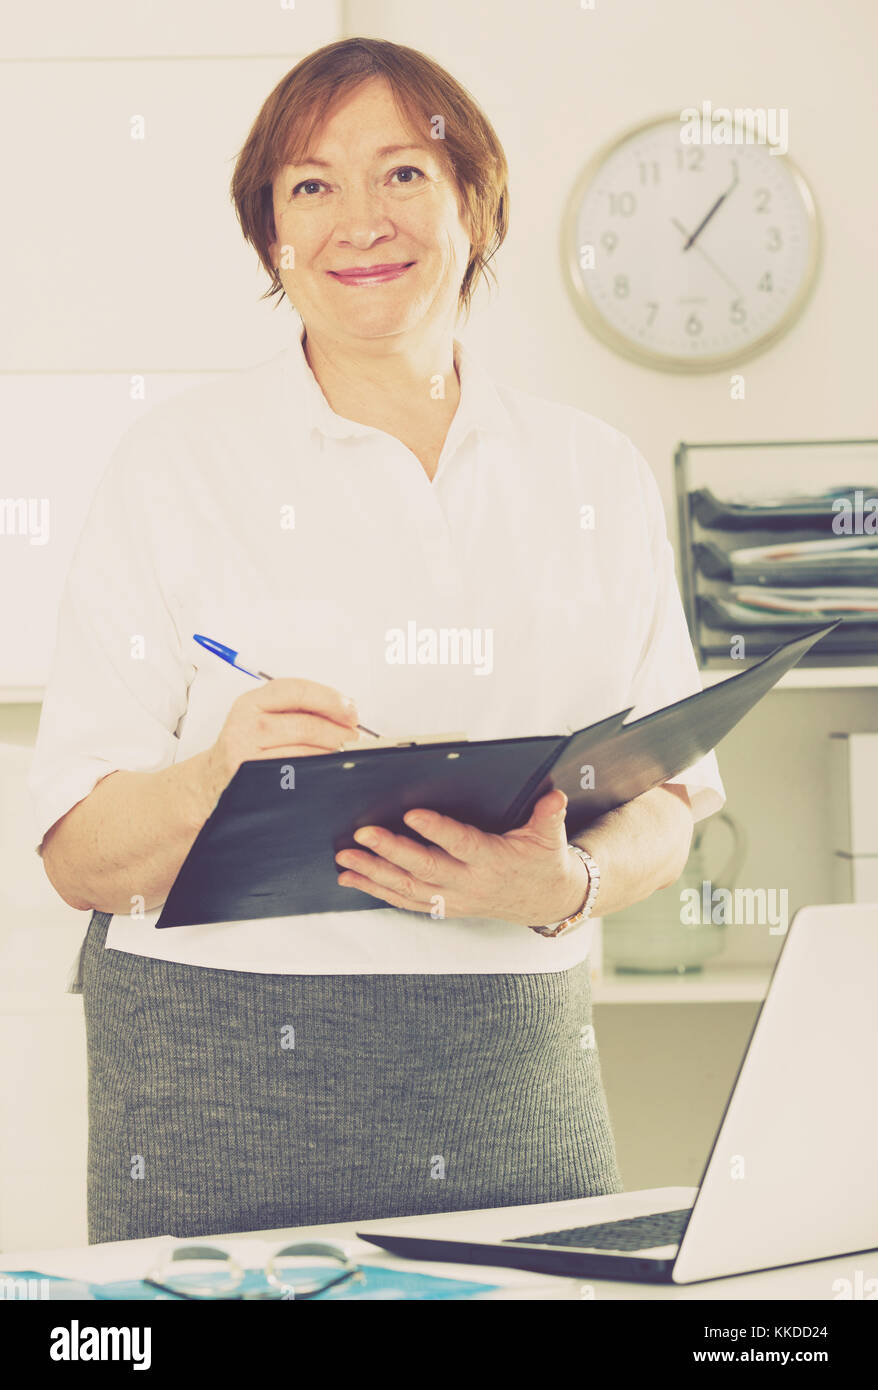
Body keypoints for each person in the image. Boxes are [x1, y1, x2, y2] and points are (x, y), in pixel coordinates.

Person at [29, 36, 724, 1244]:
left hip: (517, 1060)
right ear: (271, 240)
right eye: (311, 185)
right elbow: (80, 862)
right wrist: (210, 780)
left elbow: (670, 790)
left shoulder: (589, 472)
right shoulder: (173, 465)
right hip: (220, 1070)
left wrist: (571, 885)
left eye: (404, 172)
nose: (362, 219)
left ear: (473, 203)